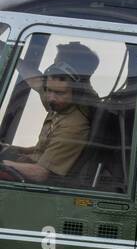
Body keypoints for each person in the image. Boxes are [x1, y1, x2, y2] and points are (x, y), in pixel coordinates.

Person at [0, 42, 99, 184]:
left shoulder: (74, 122)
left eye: (56, 64)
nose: (50, 97)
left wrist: (5, 164)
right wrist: (14, 150)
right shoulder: (60, 97)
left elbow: (41, 173)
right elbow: (36, 80)